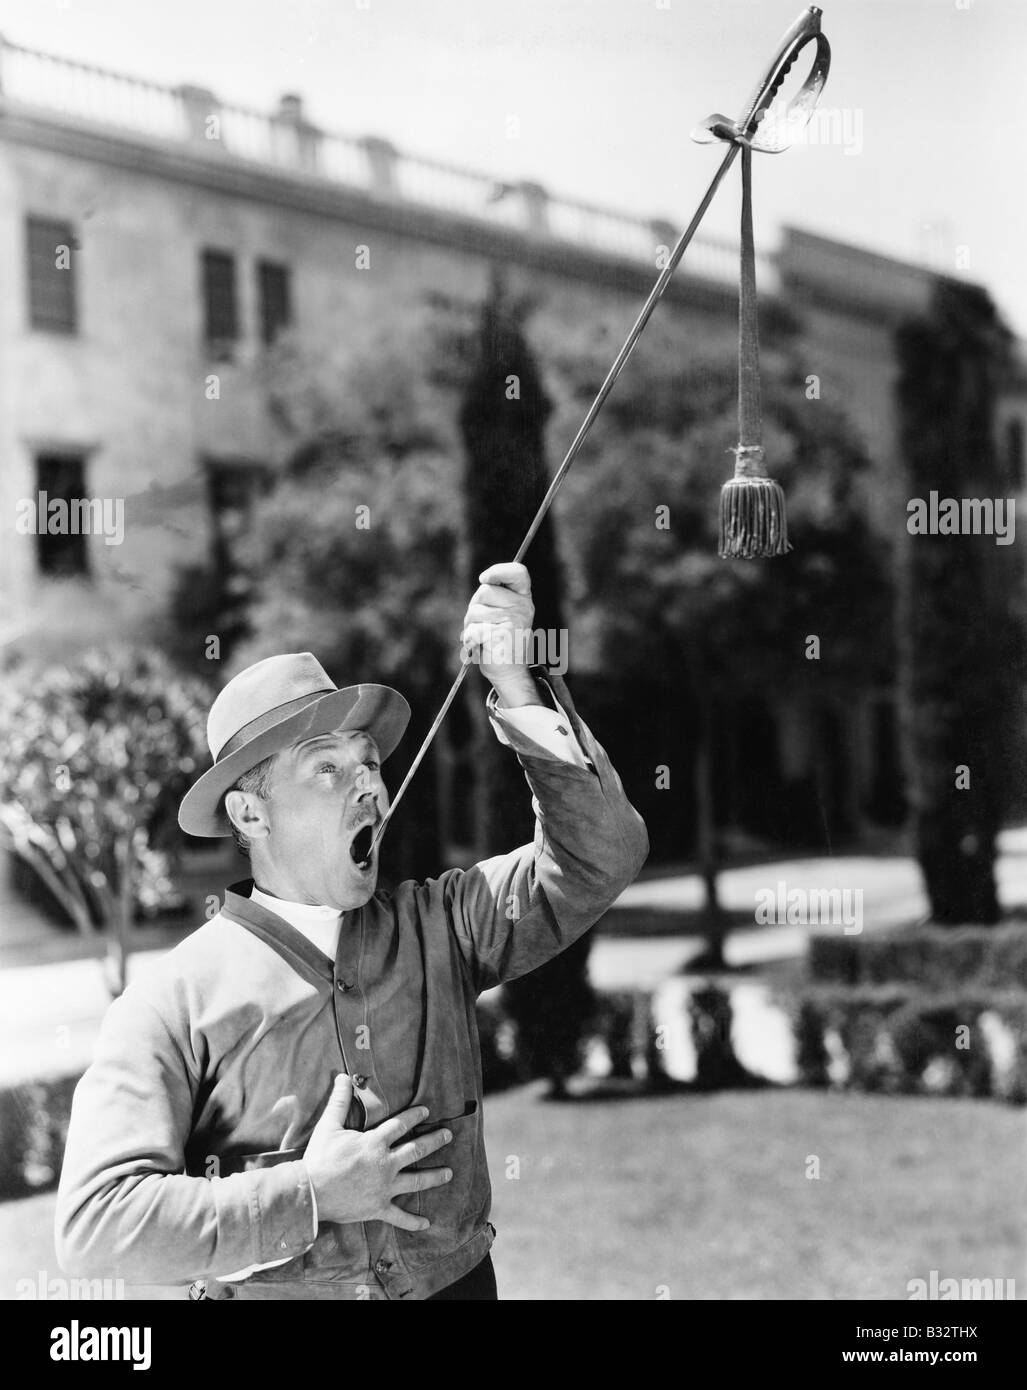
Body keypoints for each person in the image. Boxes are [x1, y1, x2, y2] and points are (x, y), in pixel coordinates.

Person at [55, 562, 648, 1300]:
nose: (369, 783)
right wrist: (309, 1194)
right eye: (327, 767)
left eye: (368, 763)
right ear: (249, 814)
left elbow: (601, 857)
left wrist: (519, 687)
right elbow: (96, 1226)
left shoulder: (447, 924)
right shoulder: (169, 1003)